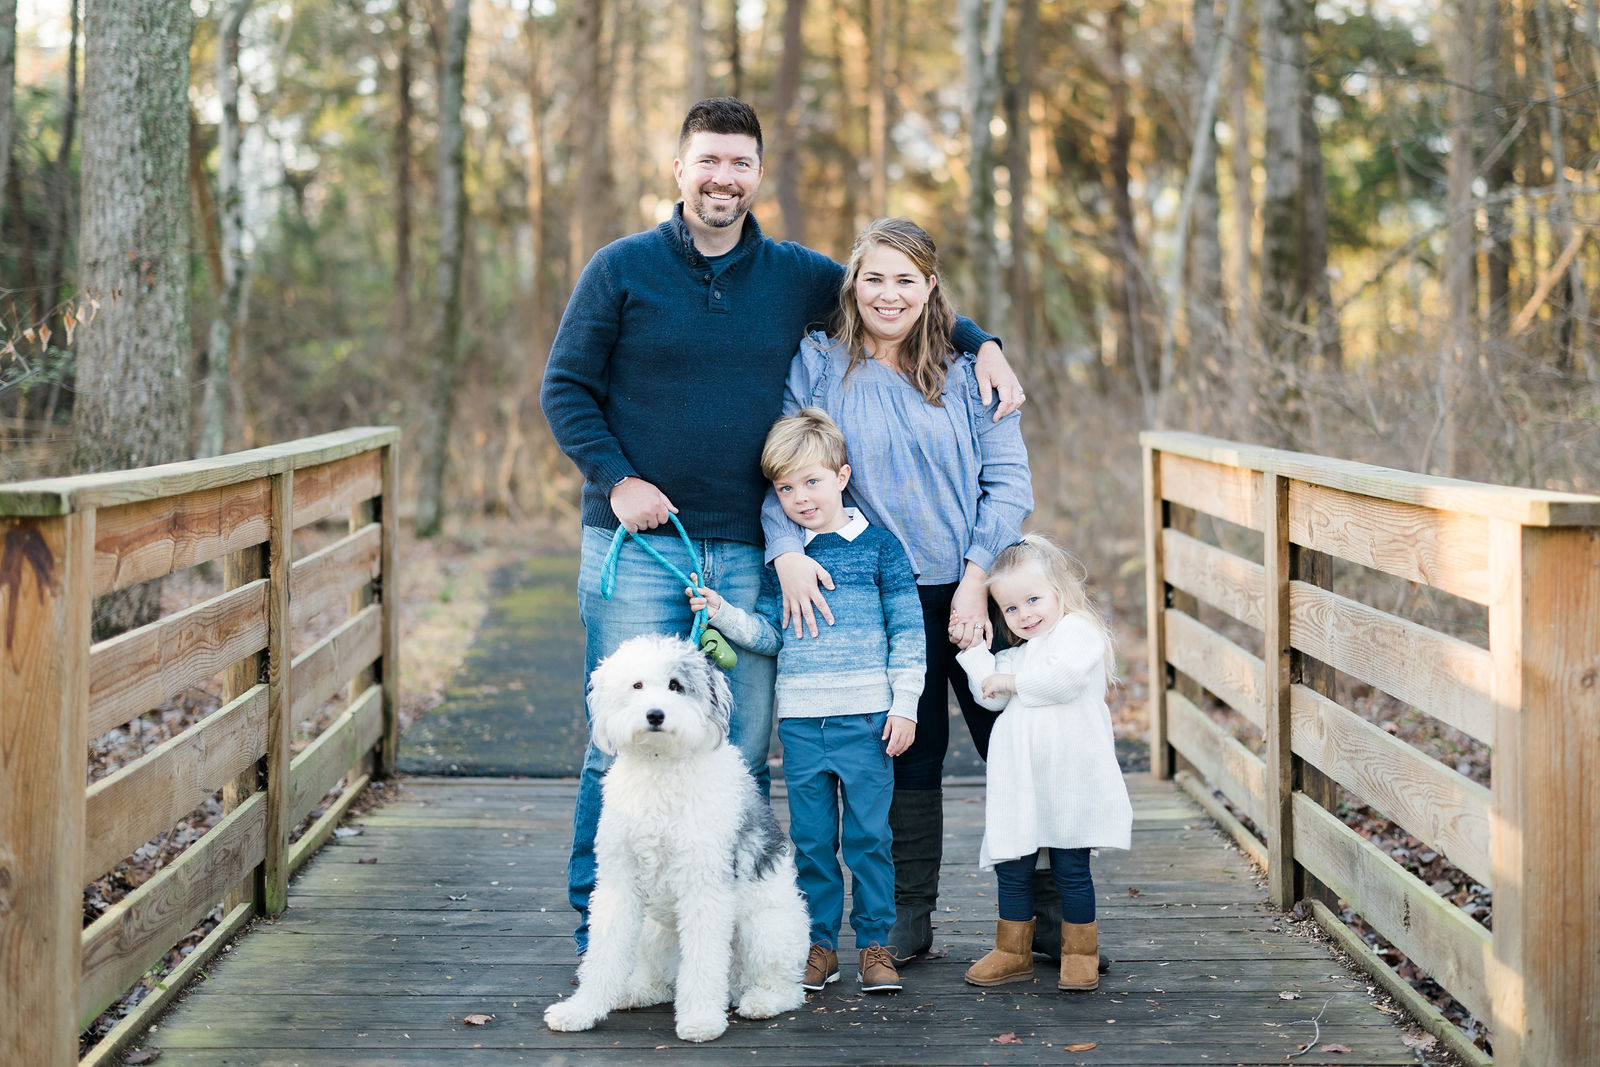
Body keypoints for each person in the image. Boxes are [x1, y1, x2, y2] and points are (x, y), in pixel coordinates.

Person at [538, 98, 1023, 954]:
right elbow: (565, 387)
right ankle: (601, 926)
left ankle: (724, 925)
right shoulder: (620, 269)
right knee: (617, 736)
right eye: (707, 161)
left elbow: (893, 289)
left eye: (739, 163)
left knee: (738, 743)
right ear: (680, 169)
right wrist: (617, 479)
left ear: (758, 175)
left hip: (751, 549)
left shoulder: (797, 273)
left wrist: (983, 342)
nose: (722, 178)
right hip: (638, 545)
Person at [761, 217, 1033, 964]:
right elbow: (785, 466)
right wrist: (784, 550)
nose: (889, 294)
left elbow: (1009, 484)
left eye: (906, 279)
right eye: (874, 278)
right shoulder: (820, 363)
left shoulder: (970, 370)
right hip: (872, 595)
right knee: (910, 749)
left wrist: (976, 580)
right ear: (853, 283)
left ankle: (1044, 911)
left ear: (930, 286)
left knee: (1015, 740)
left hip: (974, 584)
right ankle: (910, 914)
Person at [687, 408, 923, 994]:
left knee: (869, 839)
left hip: (867, 720)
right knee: (813, 843)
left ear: (842, 476)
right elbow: (772, 634)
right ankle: (820, 944)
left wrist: (906, 705)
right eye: (786, 488)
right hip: (800, 724)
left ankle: (875, 944)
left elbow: (907, 631)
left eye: (812, 481)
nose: (800, 498)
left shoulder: (880, 548)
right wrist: (723, 614)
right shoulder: (783, 562)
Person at [953, 533, 1131, 991]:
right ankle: (1012, 951)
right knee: (1013, 864)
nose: (1025, 614)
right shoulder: (1017, 654)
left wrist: (1008, 681)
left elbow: (1061, 681)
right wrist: (974, 654)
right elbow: (989, 696)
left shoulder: (1079, 633)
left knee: (1071, 868)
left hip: (1069, 777)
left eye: (1033, 600)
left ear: (1060, 591)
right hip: (1020, 778)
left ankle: (1080, 953)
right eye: (1011, 608)